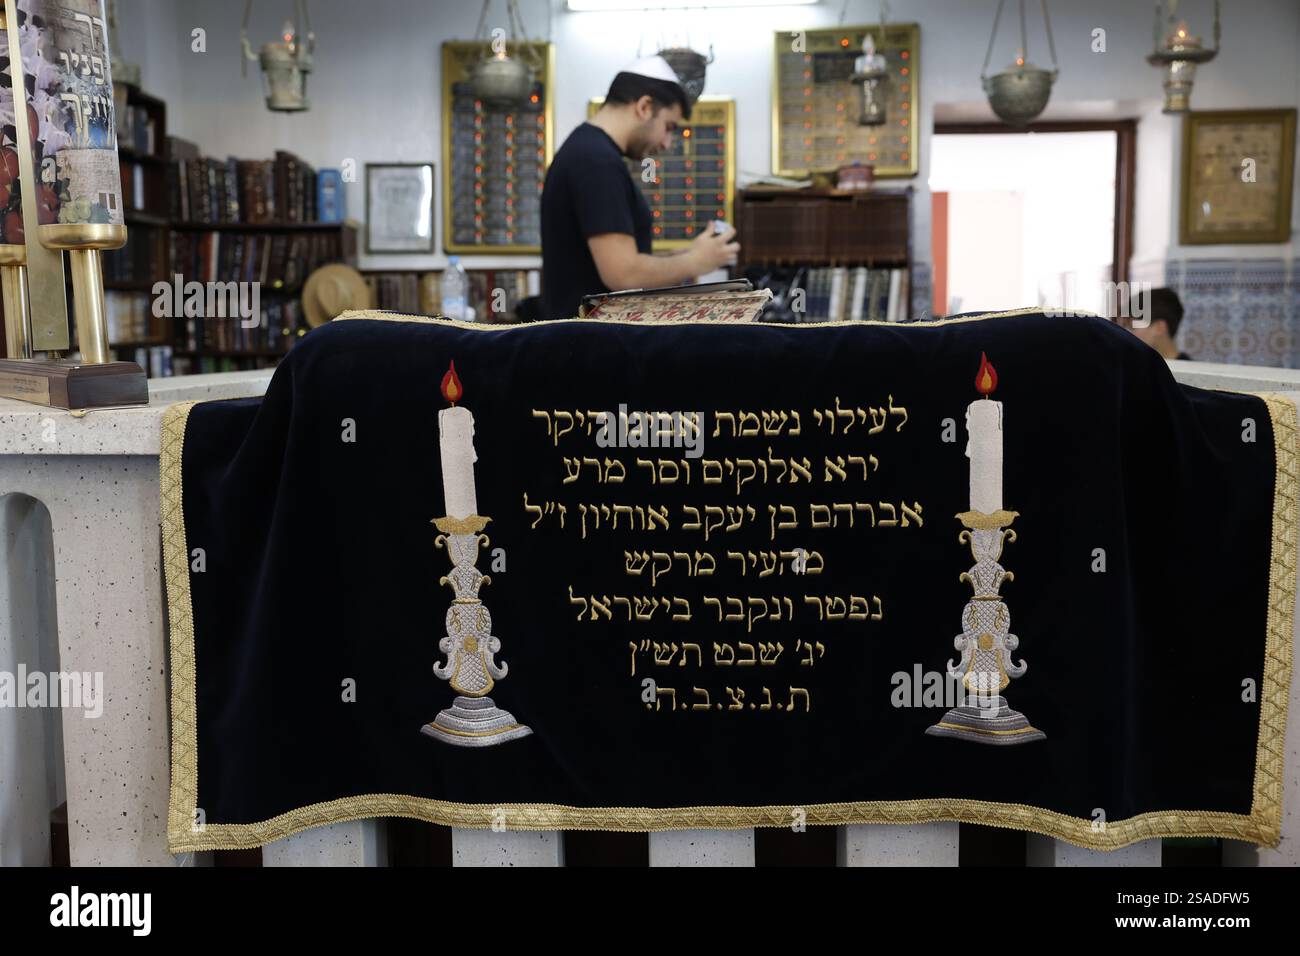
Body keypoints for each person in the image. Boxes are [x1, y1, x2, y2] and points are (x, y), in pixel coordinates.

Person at [540, 56, 739, 319]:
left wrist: (692, 252)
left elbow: (625, 260)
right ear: (645, 107)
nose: (668, 143)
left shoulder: (589, 151)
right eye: (669, 127)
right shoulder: (596, 161)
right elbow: (623, 273)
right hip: (587, 347)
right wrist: (695, 262)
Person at [1128, 286, 1193, 360]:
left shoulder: (1192, 370)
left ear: (1159, 327)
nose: (1129, 334)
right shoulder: (1136, 366)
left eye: (1133, 328)